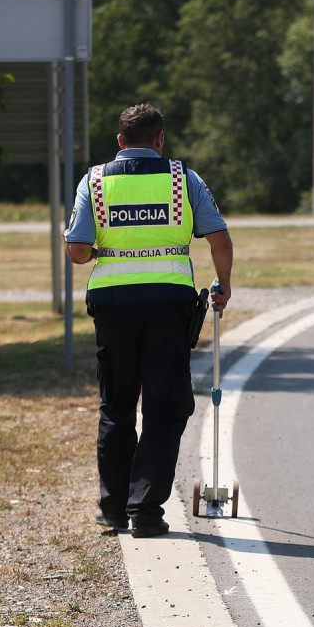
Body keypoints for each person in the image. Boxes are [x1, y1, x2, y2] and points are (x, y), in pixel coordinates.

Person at [64, 103, 233, 538]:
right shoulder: (183, 179)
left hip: (113, 306)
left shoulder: (94, 181)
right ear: (160, 139)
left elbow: (78, 250)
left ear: (120, 142)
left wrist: (102, 251)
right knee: (165, 406)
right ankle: (145, 509)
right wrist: (223, 284)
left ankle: (114, 509)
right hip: (167, 304)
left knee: (117, 405)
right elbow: (219, 237)